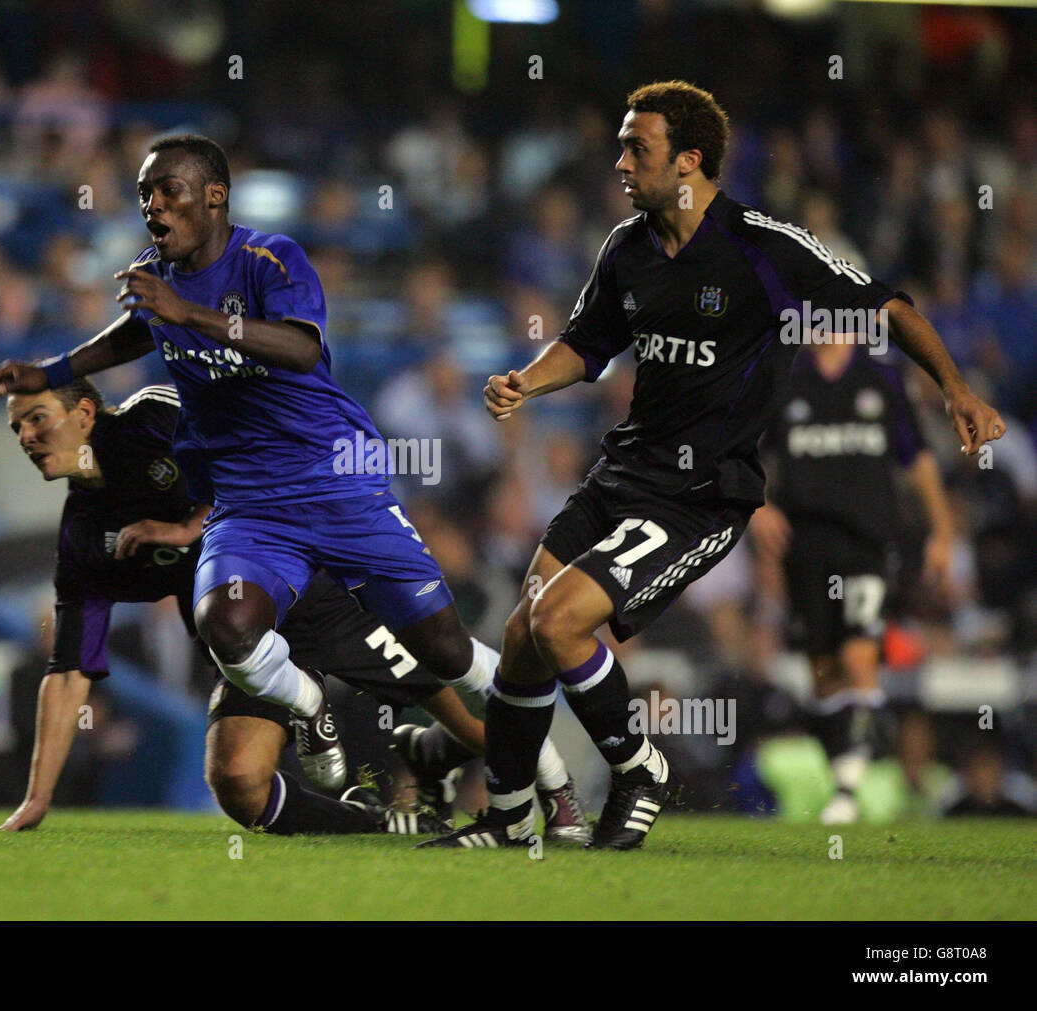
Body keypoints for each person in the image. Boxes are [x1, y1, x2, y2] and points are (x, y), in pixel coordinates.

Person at [422, 80, 1006, 850]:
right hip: (619, 476)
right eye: (622, 147)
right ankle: (506, 817)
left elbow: (888, 306)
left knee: (557, 622)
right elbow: (587, 344)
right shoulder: (627, 248)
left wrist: (955, 388)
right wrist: (528, 381)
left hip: (696, 496)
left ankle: (639, 767)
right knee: (522, 633)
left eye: (637, 148)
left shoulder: (765, 248)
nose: (621, 163)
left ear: (689, 160)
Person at [0, 380, 587, 839]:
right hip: (244, 644)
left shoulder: (153, 416)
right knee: (238, 783)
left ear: (85, 413)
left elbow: (261, 456)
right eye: (17, 425)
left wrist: (188, 526)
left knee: (467, 712)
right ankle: (376, 822)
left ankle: (559, 794)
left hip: (321, 595)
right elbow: (69, 670)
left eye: (37, 417)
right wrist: (37, 798)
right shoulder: (83, 537)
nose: (26, 436)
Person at [753, 340, 954, 824]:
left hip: (867, 541)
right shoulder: (783, 375)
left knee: (859, 654)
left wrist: (942, 527)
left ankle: (847, 787)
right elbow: (747, 453)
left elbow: (916, 455)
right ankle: (842, 773)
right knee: (822, 669)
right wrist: (759, 506)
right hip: (804, 544)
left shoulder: (882, 375)